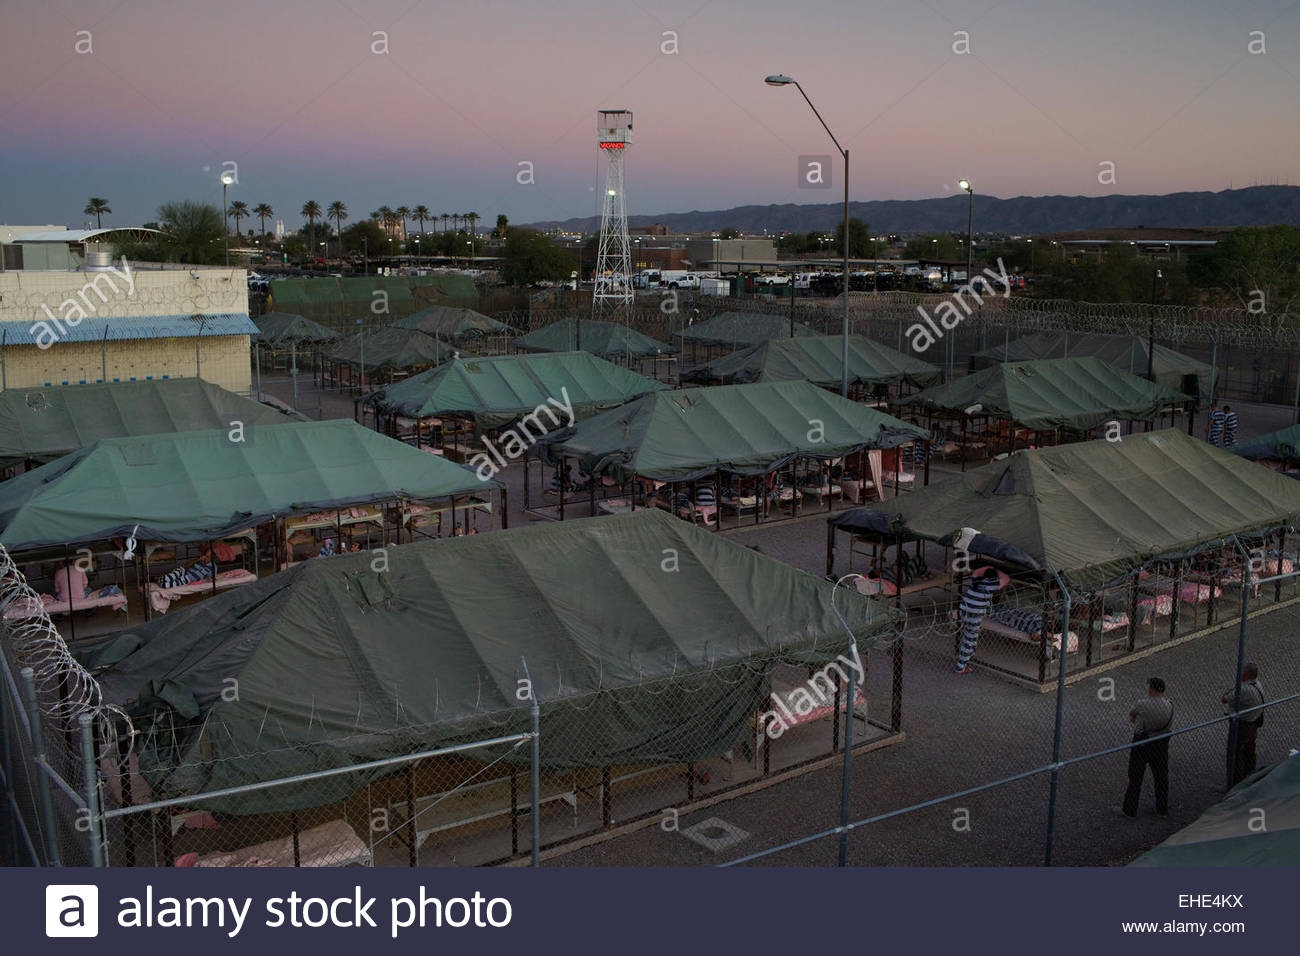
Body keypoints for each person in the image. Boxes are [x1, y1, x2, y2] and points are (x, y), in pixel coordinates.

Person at [1118, 677, 1173, 818]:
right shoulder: (1169, 704)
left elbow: (1132, 716)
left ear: (1152, 689)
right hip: (1161, 743)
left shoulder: (1142, 704)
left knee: (1135, 777)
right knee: (1161, 776)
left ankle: (1129, 809)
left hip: (1142, 743)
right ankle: (1162, 809)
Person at [954, 566, 1005, 674]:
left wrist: (988, 567)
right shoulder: (991, 585)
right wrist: (997, 569)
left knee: (971, 633)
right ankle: (960, 667)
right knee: (969, 639)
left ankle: (971, 653)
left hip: (964, 611)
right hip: (974, 614)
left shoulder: (976, 581)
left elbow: (977, 571)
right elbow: (1005, 579)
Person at [1221, 662, 1265, 786]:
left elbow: (1224, 698)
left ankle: (1235, 784)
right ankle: (1250, 778)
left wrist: (1236, 685)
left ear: (1245, 675)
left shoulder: (1243, 689)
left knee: (1235, 753)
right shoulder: (1257, 684)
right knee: (1249, 751)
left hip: (1242, 725)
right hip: (1253, 723)